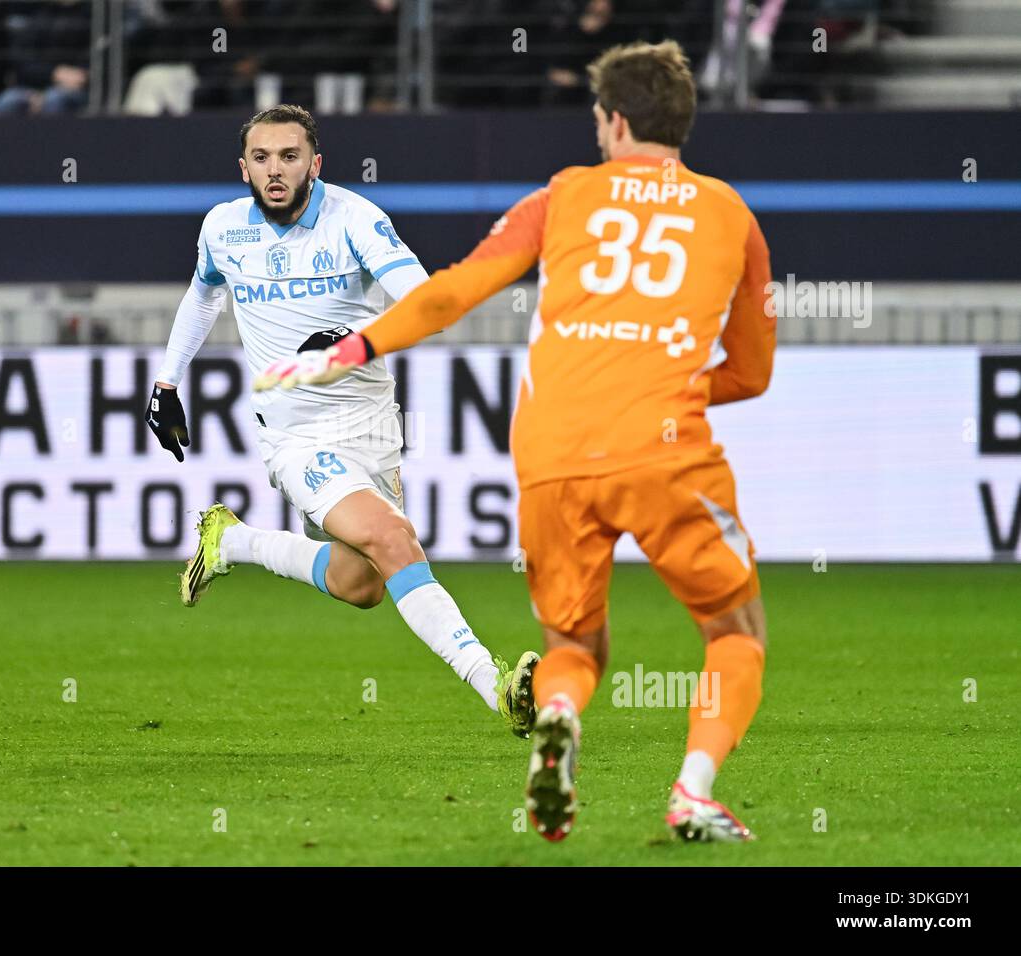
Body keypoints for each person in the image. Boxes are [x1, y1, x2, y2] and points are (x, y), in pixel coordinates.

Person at [256, 42, 775, 844]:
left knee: (572, 642)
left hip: (552, 449)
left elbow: (453, 291)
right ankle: (692, 794)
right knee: (734, 632)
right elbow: (751, 372)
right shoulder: (732, 214)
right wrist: (658, 388)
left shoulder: (564, 195)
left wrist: (350, 350)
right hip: (667, 448)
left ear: (614, 120)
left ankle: (559, 714)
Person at [146, 104, 540, 736]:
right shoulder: (223, 228)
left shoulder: (355, 220)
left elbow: (427, 304)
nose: (275, 170)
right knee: (392, 540)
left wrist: (351, 336)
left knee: (362, 583)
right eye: (262, 158)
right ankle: (492, 683)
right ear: (243, 167)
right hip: (295, 435)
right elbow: (203, 293)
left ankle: (233, 541)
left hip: (372, 428)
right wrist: (166, 383)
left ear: (315, 163)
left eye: (290, 156)